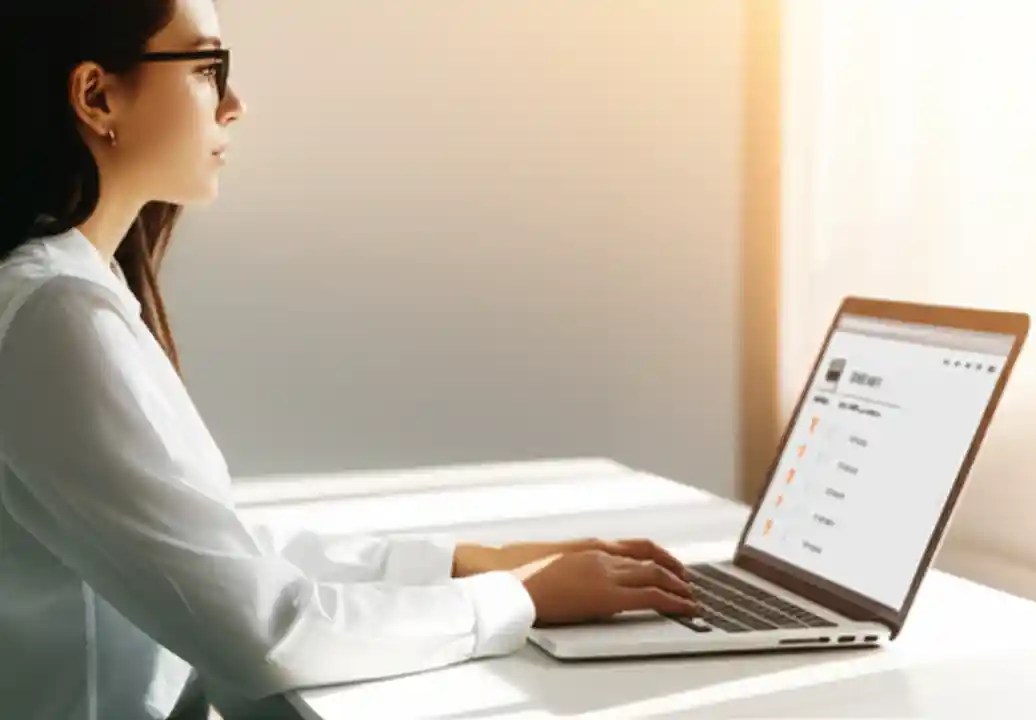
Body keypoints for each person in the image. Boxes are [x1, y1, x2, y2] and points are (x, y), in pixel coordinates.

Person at [0, 2, 699, 718]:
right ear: (97, 95)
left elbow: (212, 548)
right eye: (209, 69)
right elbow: (265, 632)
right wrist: (515, 598)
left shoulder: (76, 289)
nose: (235, 105)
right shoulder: (53, 316)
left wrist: (468, 562)